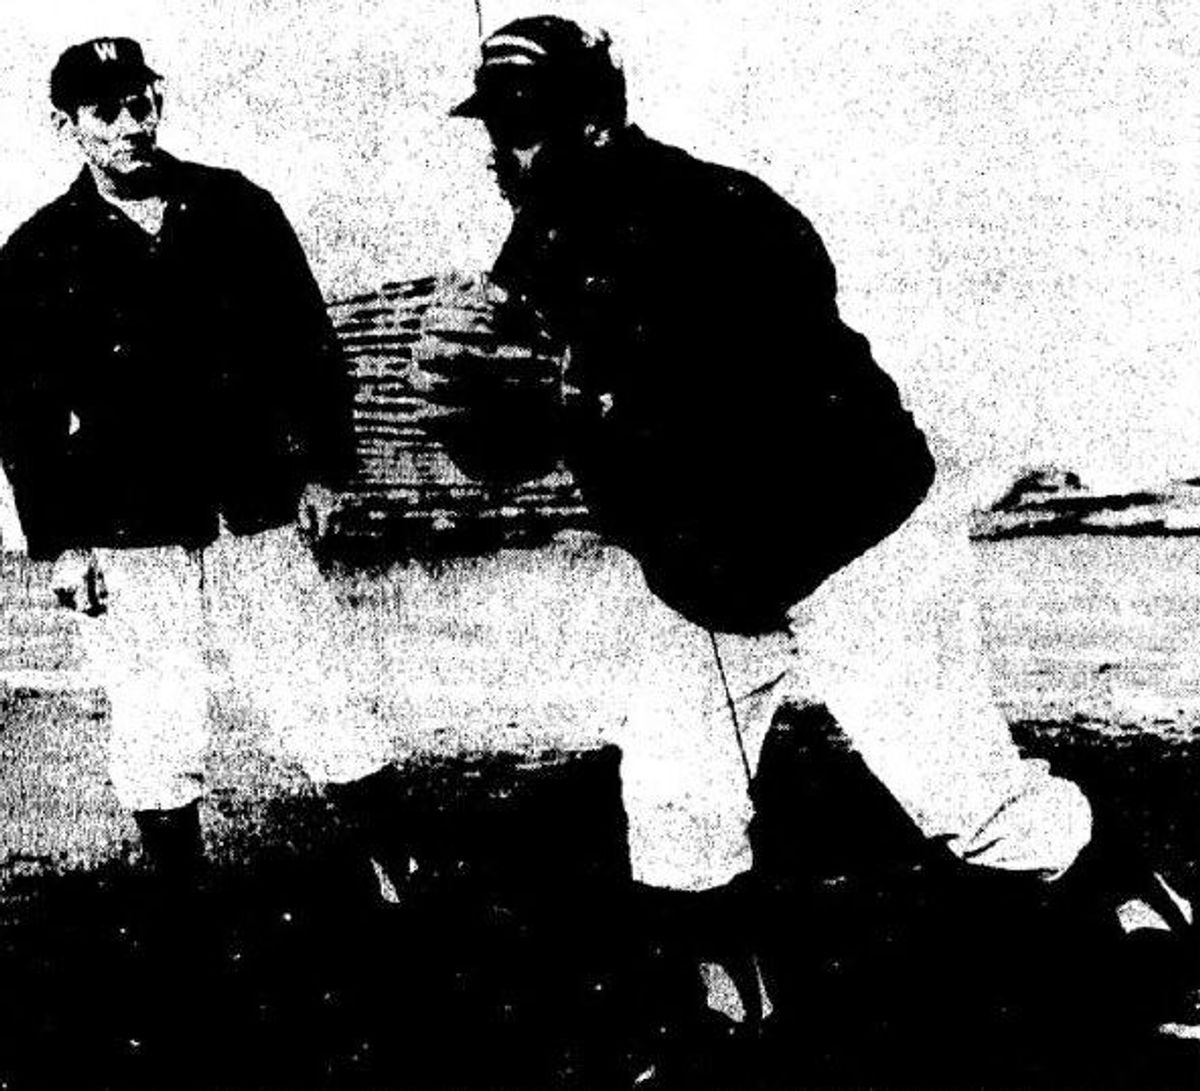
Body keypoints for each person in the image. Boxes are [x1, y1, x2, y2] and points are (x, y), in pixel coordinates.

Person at [428, 13, 1196, 1074]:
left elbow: (740, 422)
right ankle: (729, 1018)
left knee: (969, 801)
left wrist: (577, 399)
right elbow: (526, 432)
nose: (501, 153)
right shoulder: (545, 235)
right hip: (708, 575)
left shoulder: (725, 219)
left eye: (526, 127)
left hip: (854, 548)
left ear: (598, 122)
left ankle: (1154, 917)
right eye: (497, 128)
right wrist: (479, 424)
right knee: (671, 794)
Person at [0, 38, 405, 894]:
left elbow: (310, 347)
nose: (131, 125)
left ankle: (393, 867)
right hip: (130, 518)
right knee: (156, 718)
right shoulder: (40, 250)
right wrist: (60, 545)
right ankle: (182, 902)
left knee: (318, 689)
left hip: (252, 502)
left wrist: (328, 469)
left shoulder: (235, 209)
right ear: (65, 126)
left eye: (142, 102)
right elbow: (23, 415)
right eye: (105, 112)